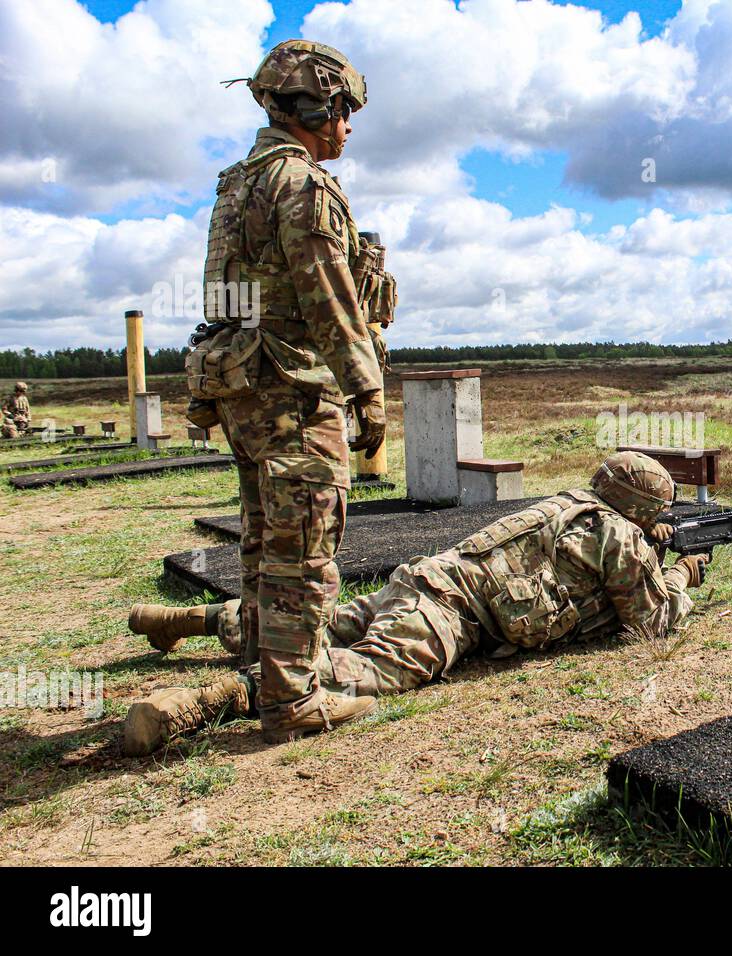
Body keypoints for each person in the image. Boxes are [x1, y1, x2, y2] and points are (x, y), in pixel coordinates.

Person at [122, 452, 709, 756]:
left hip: (421, 578)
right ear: (643, 509)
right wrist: (680, 573)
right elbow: (652, 622)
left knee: (320, 627)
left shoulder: (567, 505)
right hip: (449, 613)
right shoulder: (619, 534)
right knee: (369, 670)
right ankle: (203, 704)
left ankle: (191, 620)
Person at [184, 40, 393, 743]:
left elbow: (228, 296)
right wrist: (366, 387)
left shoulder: (236, 183)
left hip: (244, 383)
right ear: (316, 107)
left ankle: (265, 662)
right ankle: (295, 699)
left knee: (263, 535)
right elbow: (328, 295)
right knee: (305, 540)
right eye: (343, 113)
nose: (349, 128)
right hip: (290, 387)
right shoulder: (301, 185)